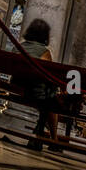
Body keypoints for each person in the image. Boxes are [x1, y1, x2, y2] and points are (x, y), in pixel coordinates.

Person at [22, 19, 59, 152]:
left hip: (18, 89)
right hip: (35, 92)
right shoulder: (44, 52)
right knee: (52, 101)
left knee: (49, 100)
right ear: (45, 36)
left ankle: (44, 137)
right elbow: (49, 76)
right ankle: (54, 140)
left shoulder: (18, 46)